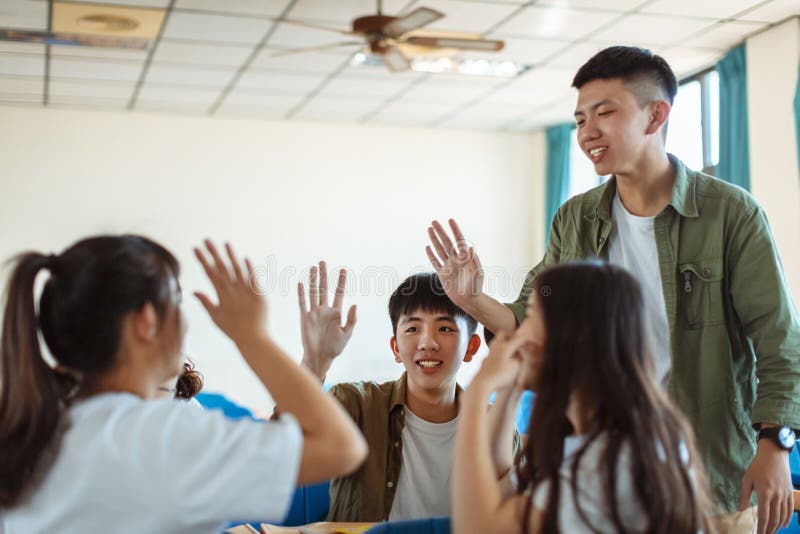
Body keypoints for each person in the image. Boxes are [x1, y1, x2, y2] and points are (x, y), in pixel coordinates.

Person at [428, 46, 800, 534]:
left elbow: (779, 341)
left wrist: (775, 445)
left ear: (656, 115)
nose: (587, 133)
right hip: (597, 452)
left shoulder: (730, 214)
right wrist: (471, 300)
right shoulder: (576, 218)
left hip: (707, 473)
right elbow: (531, 323)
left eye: (604, 113)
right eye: (580, 119)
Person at [0, 236, 367, 534]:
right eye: (177, 301)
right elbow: (342, 447)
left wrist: (315, 362)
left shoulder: (32, 430)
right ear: (147, 320)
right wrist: (251, 336)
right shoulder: (161, 439)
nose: (187, 323)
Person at [453, 260, 709, 534]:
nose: (517, 333)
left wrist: (476, 395)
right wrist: (510, 386)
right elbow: (499, 482)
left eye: (530, 316)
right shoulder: (591, 436)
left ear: (571, 337)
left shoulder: (611, 465)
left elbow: (480, 529)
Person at [282, 262, 520, 522]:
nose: (427, 342)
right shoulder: (355, 404)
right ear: (395, 348)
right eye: (413, 329)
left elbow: (509, 519)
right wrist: (314, 363)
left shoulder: (496, 427)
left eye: (445, 328)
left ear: (472, 347)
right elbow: (280, 454)